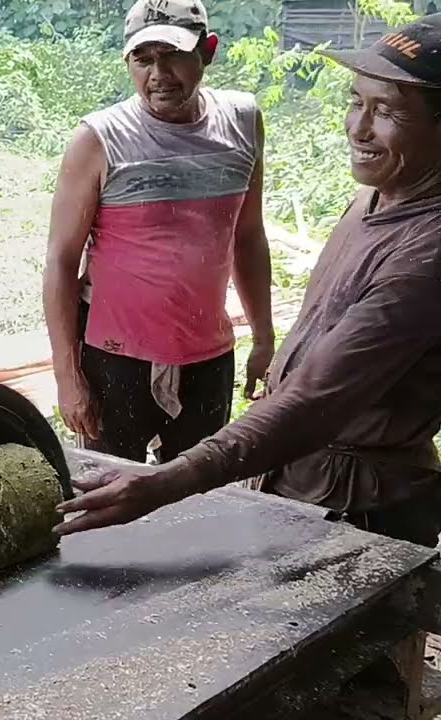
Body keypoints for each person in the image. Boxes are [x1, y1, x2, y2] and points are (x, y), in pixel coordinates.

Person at [56, 14, 441, 548]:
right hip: (294, 479)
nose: (358, 127)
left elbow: (314, 400)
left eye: (387, 111)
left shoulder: (429, 251)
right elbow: (62, 260)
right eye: (356, 102)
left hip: (361, 509)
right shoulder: (378, 196)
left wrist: (165, 482)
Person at [43, 0, 275, 464]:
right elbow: (61, 262)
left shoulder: (243, 122)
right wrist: (69, 379)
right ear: (128, 61)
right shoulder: (100, 138)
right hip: (115, 357)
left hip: (207, 354)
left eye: (173, 55)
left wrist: (264, 338)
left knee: (195, 496)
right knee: (108, 495)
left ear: (207, 52)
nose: (159, 74)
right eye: (143, 59)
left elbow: (247, 236)